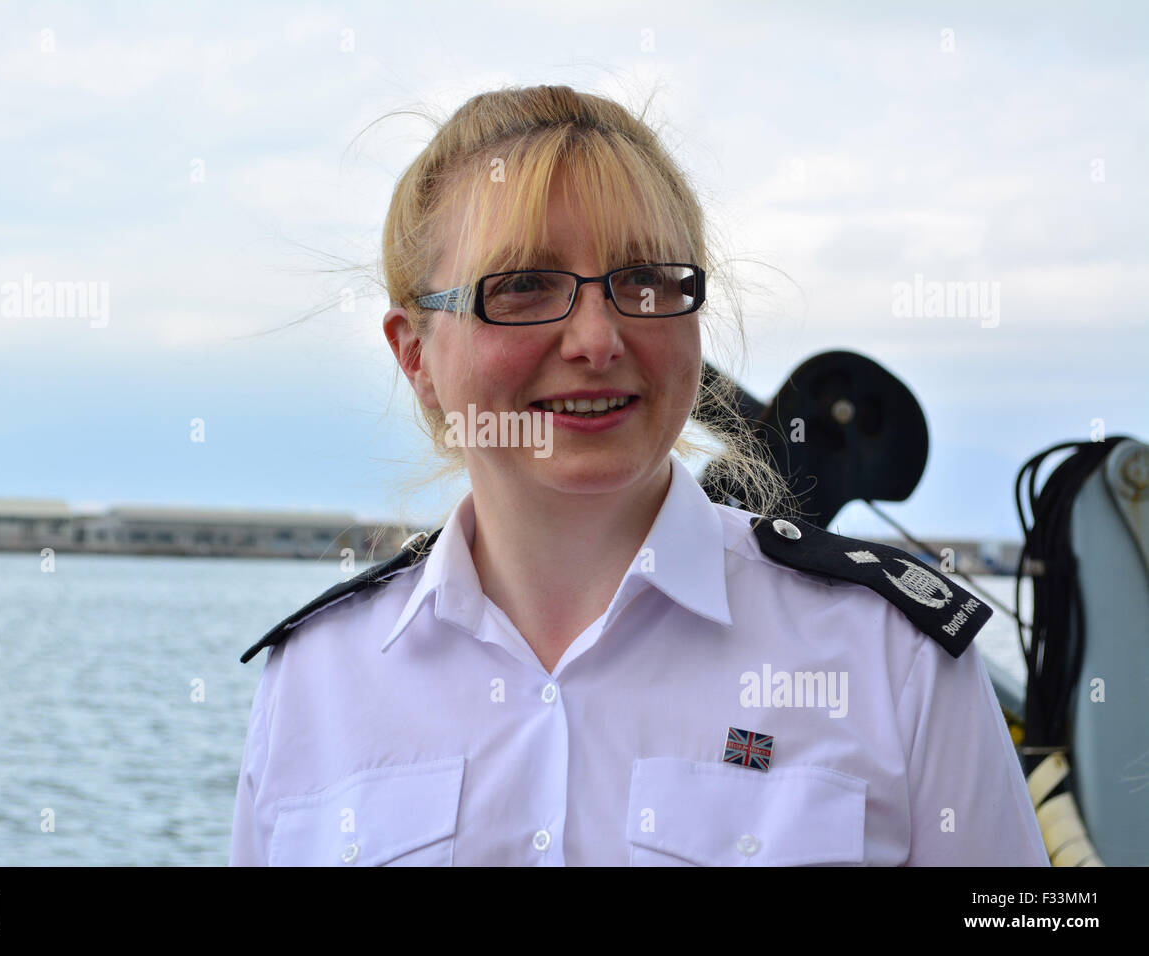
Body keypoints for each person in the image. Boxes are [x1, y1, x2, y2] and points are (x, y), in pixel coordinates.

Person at [229, 84, 1049, 866]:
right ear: (416, 357)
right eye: (523, 286)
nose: (597, 339)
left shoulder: (890, 660)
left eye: (646, 282)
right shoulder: (315, 683)